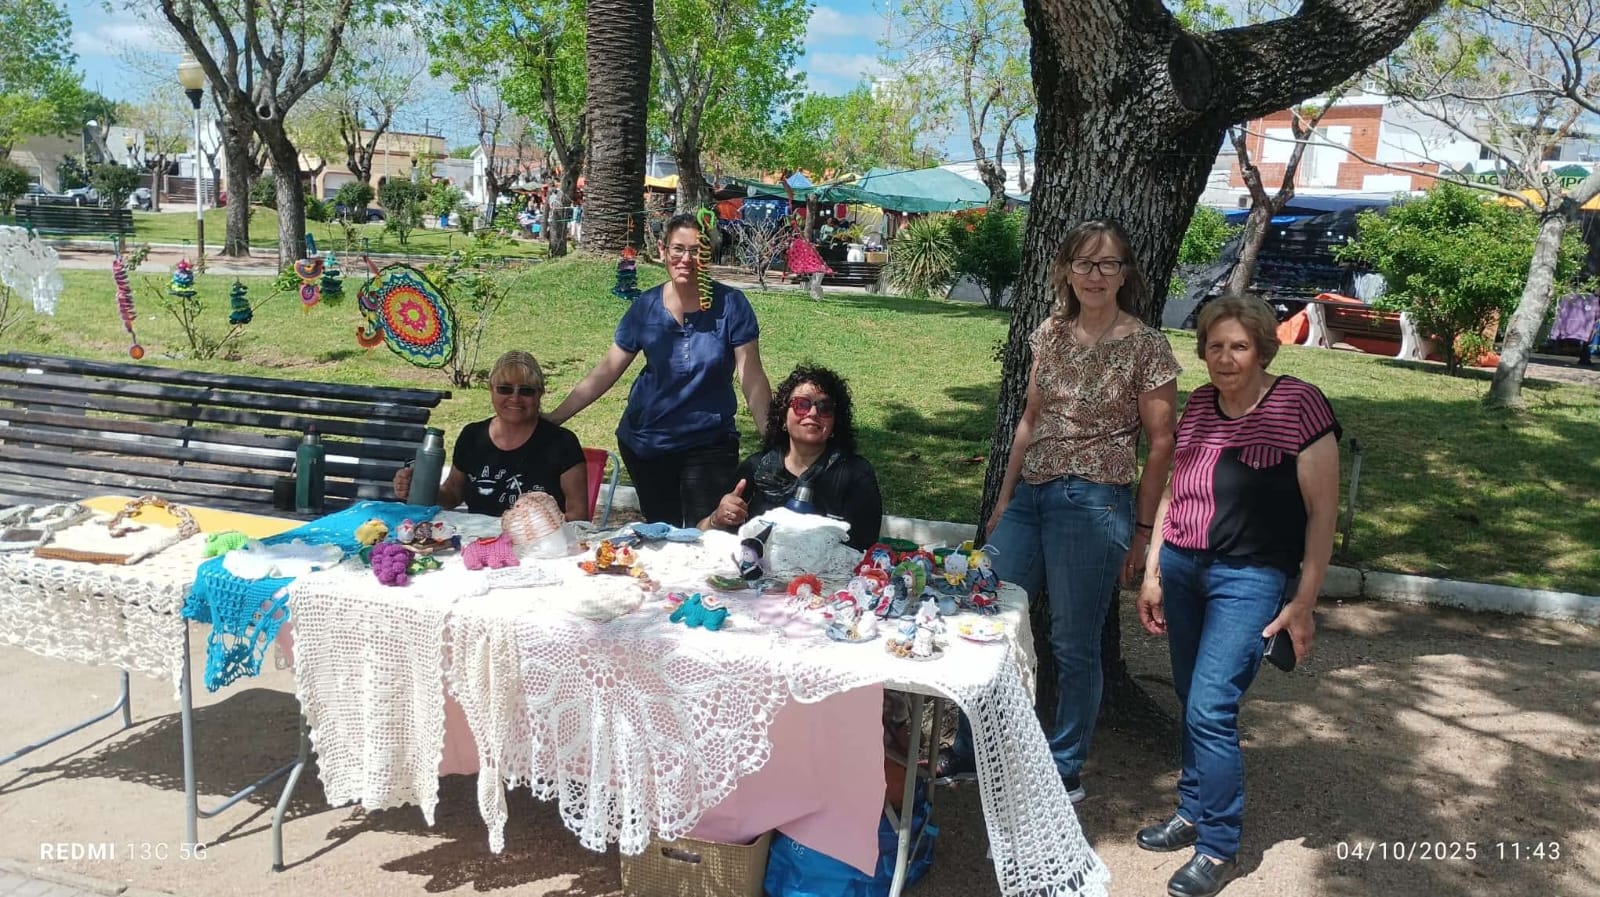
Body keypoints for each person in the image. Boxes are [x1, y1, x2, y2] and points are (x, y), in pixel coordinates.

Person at [938, 219, 1181, 804]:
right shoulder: (1049, 332)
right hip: (1032, 495)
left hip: (1095, 501)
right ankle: (974, 750)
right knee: (987, 621)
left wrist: (1145, 531)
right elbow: (1028, 421)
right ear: (1066, 270)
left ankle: (1064, 764)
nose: (1095, 275)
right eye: (1084, 263)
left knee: (1074, 642)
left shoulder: (1148, 345)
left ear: (1126, 273)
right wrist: (1002, 503)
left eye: (1108, 264)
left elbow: (1163, 442)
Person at [1134, 294, 1341, 897]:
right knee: (1186, 693)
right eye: (1215, 347)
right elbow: (1177, 489)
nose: (1225, 358)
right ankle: (1191, 808)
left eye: (1239, 346)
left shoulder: (1298, 405)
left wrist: (1303, 602)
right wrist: (1153, 570)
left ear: (1262, 349)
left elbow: (1322, 514)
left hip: (1249, 579)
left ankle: (1219, 844)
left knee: (1209, 708)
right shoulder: (1199, 404)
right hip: (1182, 568)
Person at [548, 213, 772, 527]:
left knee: (708, 531)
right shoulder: (645, 307)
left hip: (708, 442)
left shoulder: (732, 305)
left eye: (696, 250)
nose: (686, 258)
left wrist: (771, 434)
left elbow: (752, 375)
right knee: (662, 532)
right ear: (662, 250)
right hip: (646, 443)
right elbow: (607, 369)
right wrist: (555, 418)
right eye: (678, 249)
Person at [699, 364, 883, 550]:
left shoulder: (855, 474)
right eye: (801, 405)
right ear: (783, 417)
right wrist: (717, 519)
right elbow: (701, 532)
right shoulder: (755, 468)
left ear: (836, 422)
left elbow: (865, 549)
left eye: (825, 408)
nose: (812, 413)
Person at [393, 351, 588, 520]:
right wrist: (418, 486)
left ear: (540, 394)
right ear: (491, 390)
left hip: (539, 545)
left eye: (526, 391)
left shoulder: (562, 443)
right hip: (479, 543)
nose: (515, 397)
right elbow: (452, 494)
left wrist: (540, 527)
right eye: (505, 389)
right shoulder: (472, 436)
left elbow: (578, 514)